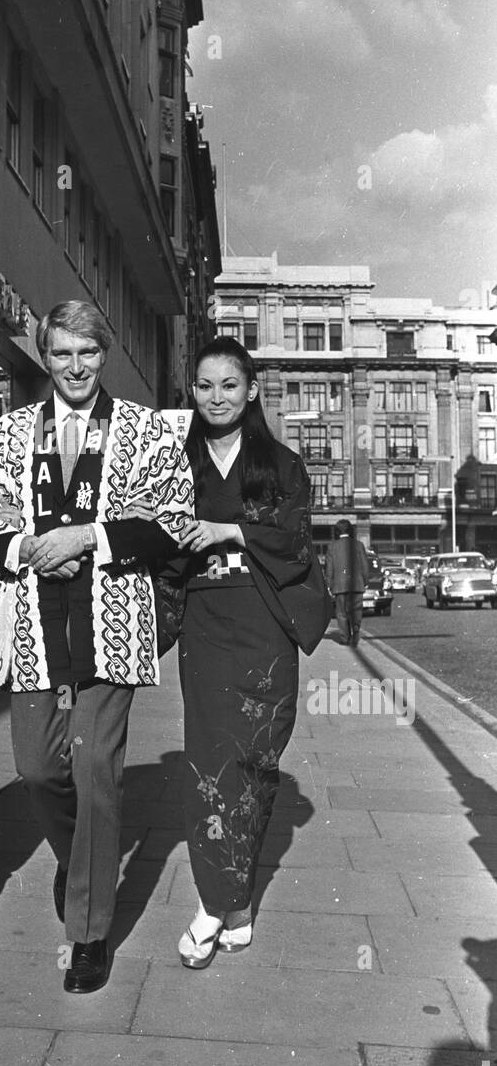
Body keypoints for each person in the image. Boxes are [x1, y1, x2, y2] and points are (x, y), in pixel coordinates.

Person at [0, 300, 192, 994]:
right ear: (43, 356)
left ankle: (88, 933)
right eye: (61, 353)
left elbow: (171, 521)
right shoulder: (7, 433)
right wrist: (29, 548)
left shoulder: (145, 431)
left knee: (95, 772)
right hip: (33, 627)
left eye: (87, 353)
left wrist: (89, 538)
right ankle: (78, 858)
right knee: (37, 769)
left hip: (112, 626)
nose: (75, 366)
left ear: (105, 353)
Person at [173, 337, 325, 967]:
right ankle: (215, 905)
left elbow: (294, 540)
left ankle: (237, 896)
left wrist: (231, 529)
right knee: (209, 764)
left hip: (264, 625)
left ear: (252, 389)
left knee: (258, 761)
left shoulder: (282, 464)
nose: (216, 398)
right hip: (208, 622)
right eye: (205, 386)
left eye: (229, 385)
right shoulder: (175, 460)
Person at [324, 519, 370, 646]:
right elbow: (364, 565)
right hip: (356, 584)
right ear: (350, 530)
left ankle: (345, 638)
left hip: (339, 585)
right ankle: (355, 631)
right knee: (356, 610)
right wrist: (365, 580)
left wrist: (329, 584)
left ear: (337, 532)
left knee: (341, 612)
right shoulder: (359, 545)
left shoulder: (332, 546)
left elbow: (329, 568)